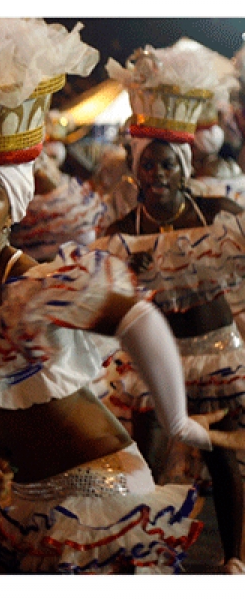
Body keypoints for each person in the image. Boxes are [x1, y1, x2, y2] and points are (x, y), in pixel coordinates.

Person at [0, 17, 245, 574]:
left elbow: (135, 316)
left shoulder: (33, 282)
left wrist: (180, 421)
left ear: (13, 209)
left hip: (100, 493)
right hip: (23, 502)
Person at [92, 41, 245, 574]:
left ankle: (235, 559)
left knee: (224, 459)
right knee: (146, 456)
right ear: (135, 171)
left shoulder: (220, 213)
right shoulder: (120, 232)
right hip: (155, 361)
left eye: (165, 166)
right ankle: (148, 554)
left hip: (218, 353)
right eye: (147, 166)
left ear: (183, 169)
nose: (155, 175)